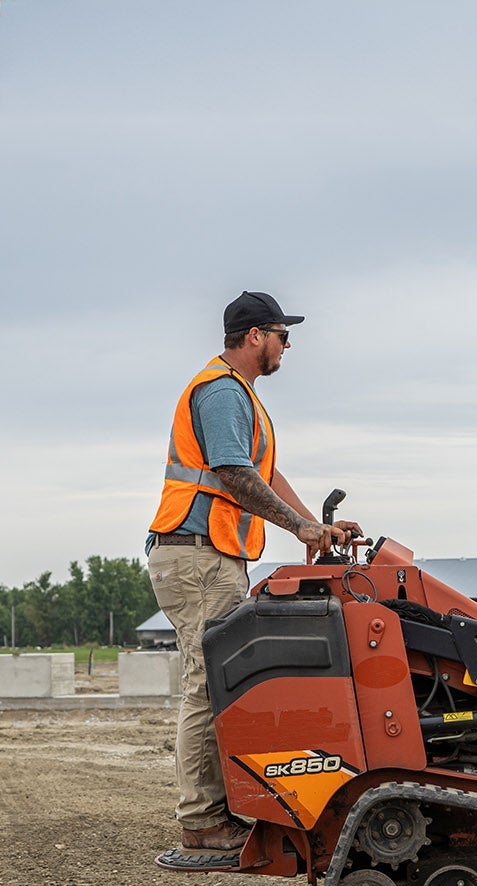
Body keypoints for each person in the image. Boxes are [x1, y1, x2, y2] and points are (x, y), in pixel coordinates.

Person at [147, 291, 362, 855]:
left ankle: (217, 813)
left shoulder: (237, 394)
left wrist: (310, 527)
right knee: (206, 683)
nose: (287, 346)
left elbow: (262, 472)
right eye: (282, 336)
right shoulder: (220, 391)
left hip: (209, 554)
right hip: (198, 556)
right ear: (254, 337)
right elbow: (235, 475)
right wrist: (303, 527)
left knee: (217, 683)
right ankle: (200, 821)